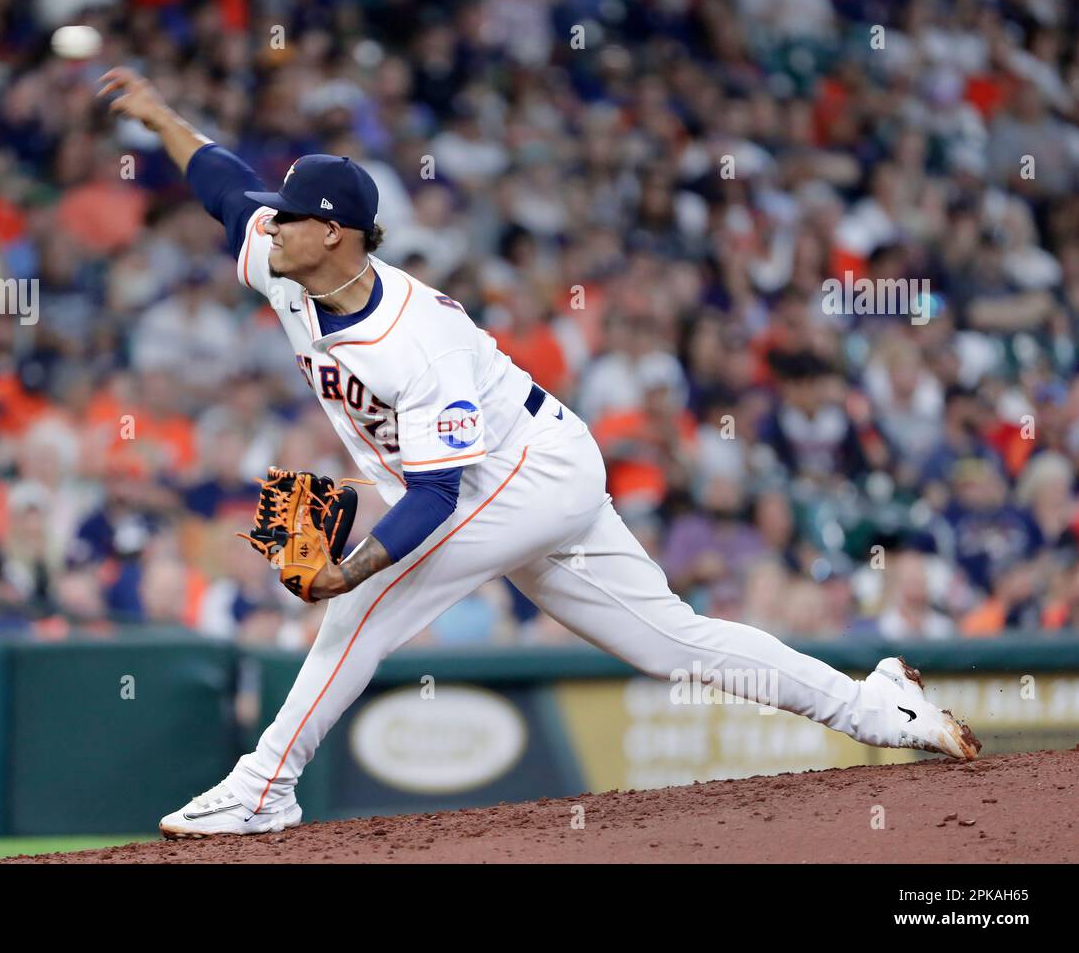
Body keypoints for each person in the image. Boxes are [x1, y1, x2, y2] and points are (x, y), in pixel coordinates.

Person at [97, 68, 982, 839]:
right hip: (521, 470)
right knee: (673, 643)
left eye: (292, 218)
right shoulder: (278, 258)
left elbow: (437, 497)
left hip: (523, 472)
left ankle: (263, 790)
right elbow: (223, 182)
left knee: (361, 607)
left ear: (337, 234)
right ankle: (876, 707)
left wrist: (347, 570)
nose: (272, 225)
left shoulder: (417, 341)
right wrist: (160, 114)